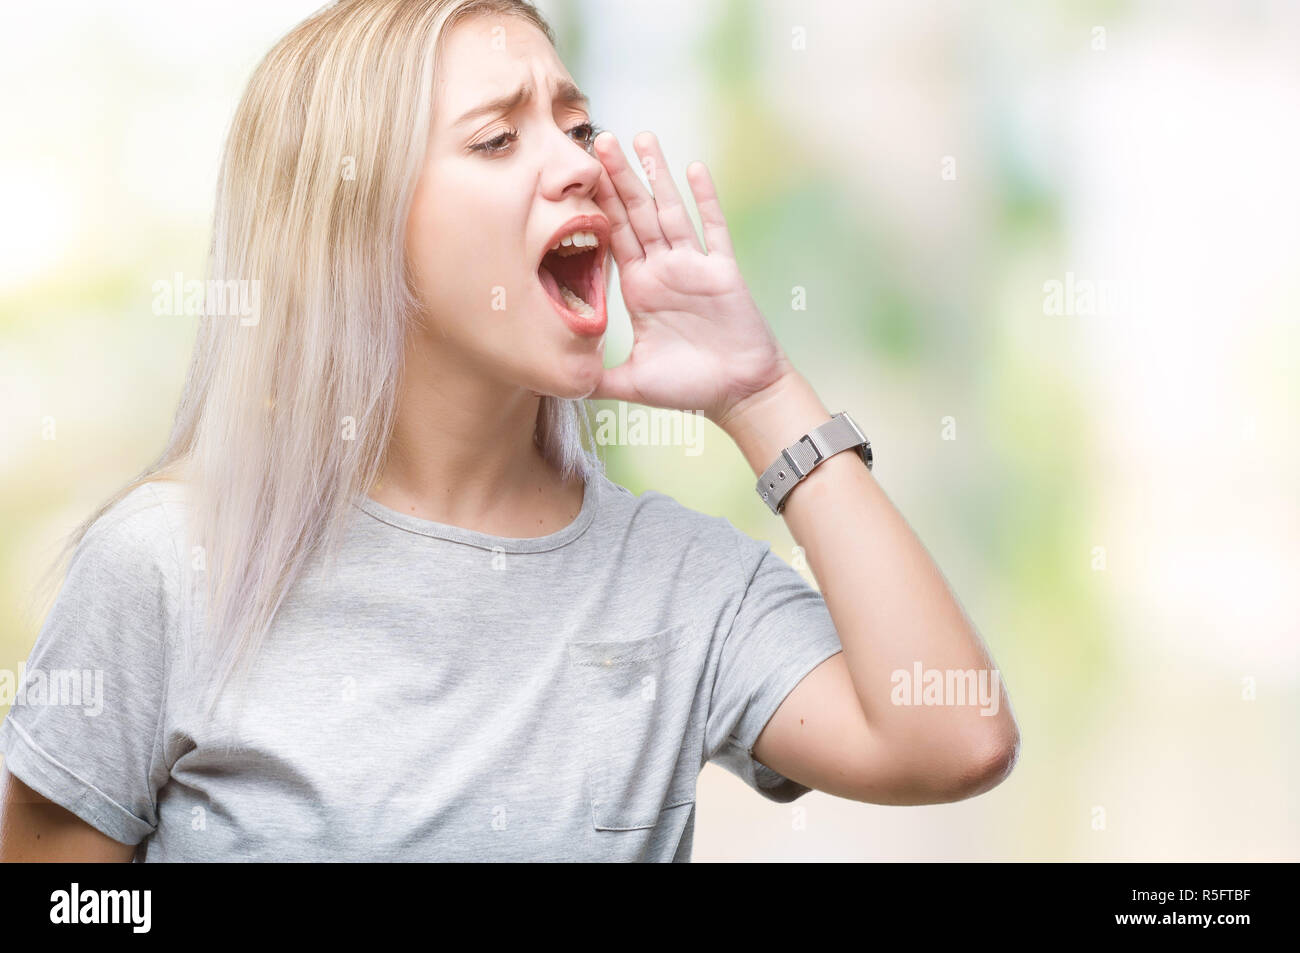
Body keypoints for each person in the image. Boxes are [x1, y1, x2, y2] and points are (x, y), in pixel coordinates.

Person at [0, 0, 1018, 862]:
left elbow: (955, 737)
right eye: (496, 139)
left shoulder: (678, 581)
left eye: (577, 127)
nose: (578, 165)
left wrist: (761, 393)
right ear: (354, 222)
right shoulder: (166, 563)